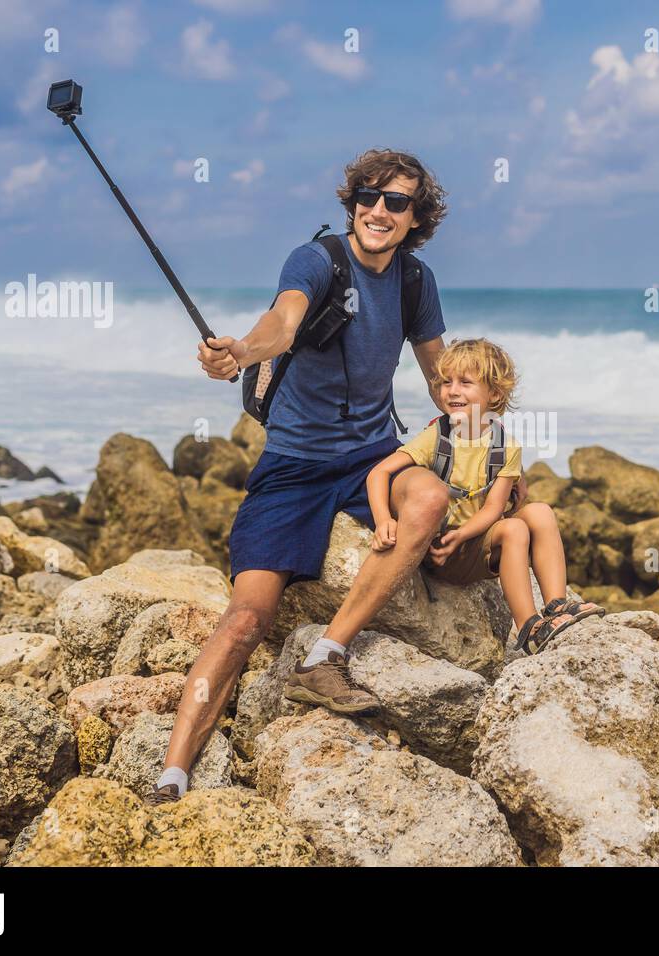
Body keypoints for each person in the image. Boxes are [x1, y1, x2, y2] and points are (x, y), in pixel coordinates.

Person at [146, 149, 511, 804]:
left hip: (372, 456)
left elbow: (437, 376)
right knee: (244, 621)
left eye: (396, 201)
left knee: (426, 495)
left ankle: (325, 656)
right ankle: (172, 774)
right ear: (352, 204)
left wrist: (480, 441)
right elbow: (281, 325)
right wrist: (238, 351)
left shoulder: (414, 282)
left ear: (415, 216)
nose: (379, 210)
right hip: (292, 467)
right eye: (368, 197)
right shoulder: (315, 260)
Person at [365, 338, 603, 657]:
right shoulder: (436, 436)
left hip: (472, 541)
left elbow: (493, 509)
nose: (452, 390)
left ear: (493, 394)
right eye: (446, 382)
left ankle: (556, 605)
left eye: (465, 382)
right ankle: (529, 628)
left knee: (541, 512)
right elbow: (378, 473)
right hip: (441, 551)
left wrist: (465, 533)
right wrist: (383, 521)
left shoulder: (506, 447)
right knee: (515, 529)